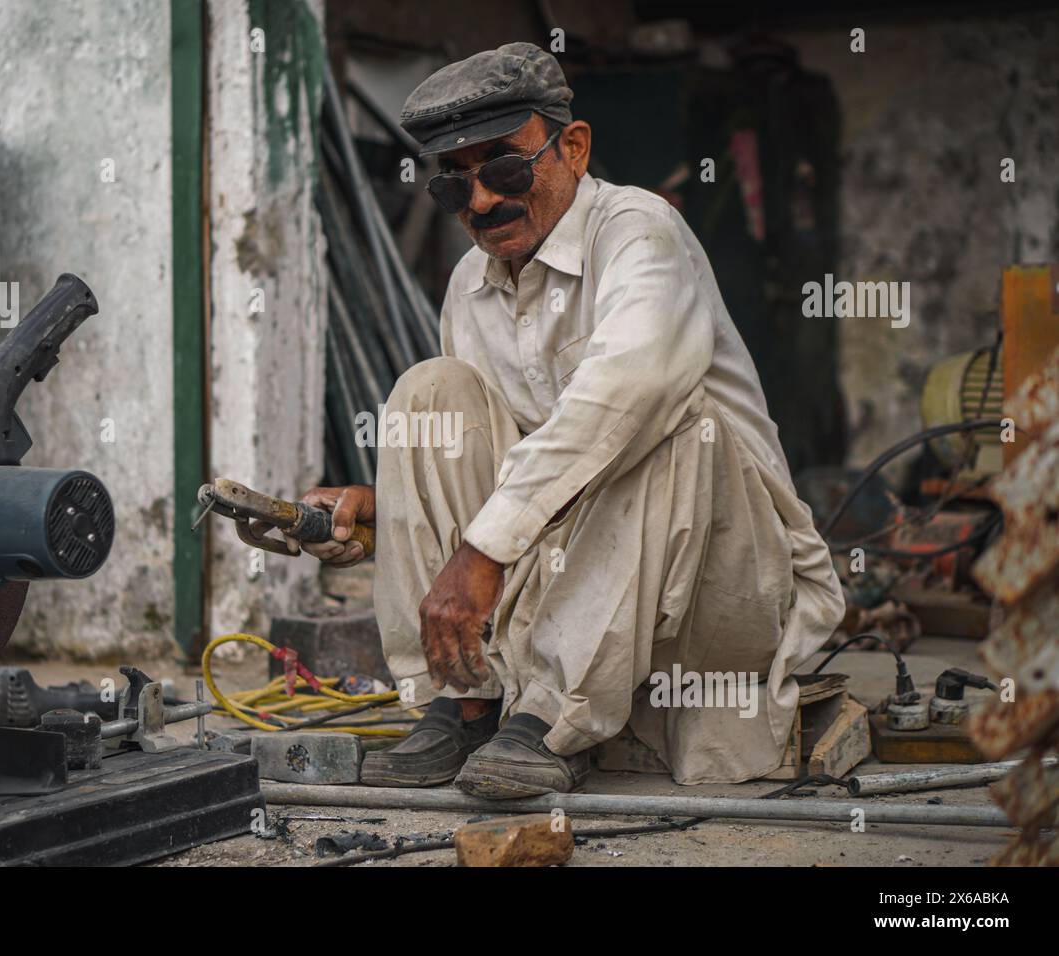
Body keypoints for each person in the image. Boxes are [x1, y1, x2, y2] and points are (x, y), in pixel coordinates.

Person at [297, 42, 844, 797]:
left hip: (723, 581)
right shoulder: (471, 283)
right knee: (430, 393)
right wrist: (377, 507)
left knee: (658, 420)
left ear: (574, 148)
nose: (483, 202)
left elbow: (620, 405)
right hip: (578, 582)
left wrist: (483, 553)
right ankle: (467, 701)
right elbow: (514, 461)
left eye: (506, 169)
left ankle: (548, 721)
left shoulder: (640, 234)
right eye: (456, 186)